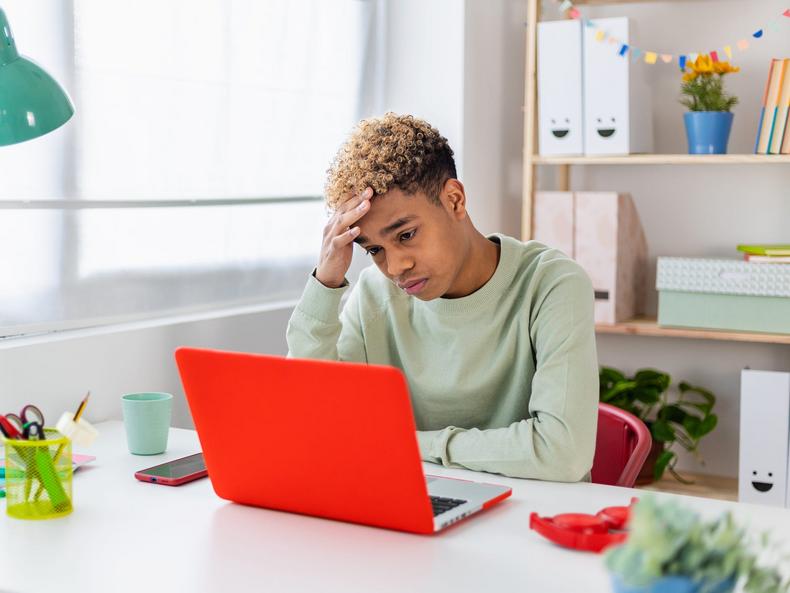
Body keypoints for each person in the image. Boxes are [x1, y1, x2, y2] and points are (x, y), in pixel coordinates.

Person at [286, 113, 598, 481]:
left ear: (454, 200)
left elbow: (563, 452)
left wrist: (410, 444)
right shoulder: (374, 294)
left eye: (406, 235)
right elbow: (315, 420)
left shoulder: (551, 284)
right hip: (412, 499)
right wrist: (325, 282)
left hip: (531, 506)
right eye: (374, 250)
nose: (396, 267)